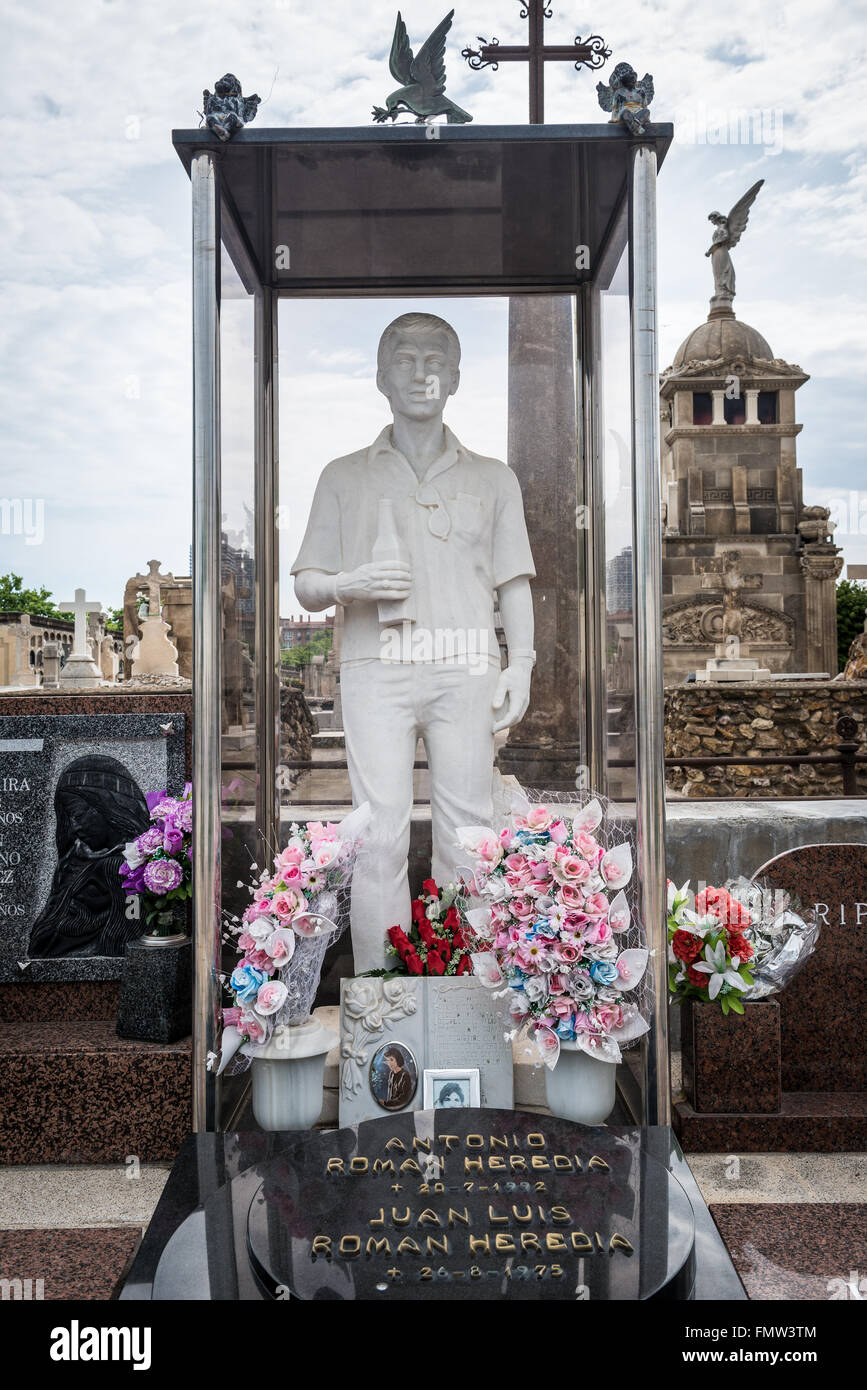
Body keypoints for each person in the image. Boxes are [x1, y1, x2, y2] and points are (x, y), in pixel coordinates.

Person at [292, 312, 536, 971]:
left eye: (435, 360)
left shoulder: (493, 478)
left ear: (455, 377)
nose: (421, 372)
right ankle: (382, 989)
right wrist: (352, 581)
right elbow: (307, 585)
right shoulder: (343, 476)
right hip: (376, 668)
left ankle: (473, 989)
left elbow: (514, 580)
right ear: (380, 376)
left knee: (469, 836)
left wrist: (523, 664)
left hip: (467, 668)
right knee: (376, 835)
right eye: (405, 359)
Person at [382, 1045, 414, 1110]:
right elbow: (390, 1094)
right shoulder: (391, 1074)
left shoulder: (405, 1075)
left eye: (391, 1060)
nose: (389, 1063)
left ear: (397, 1059)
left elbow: (404, 1099)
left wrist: (386, 1103)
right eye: (387, 1060)